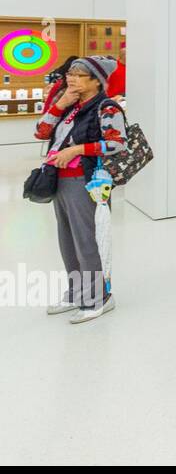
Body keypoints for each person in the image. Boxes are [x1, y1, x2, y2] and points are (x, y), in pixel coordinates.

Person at [35, 55, 126, 322]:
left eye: (78, 75)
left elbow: (117, 143)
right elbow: (40, 132)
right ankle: (77, 292)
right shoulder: (68, 106)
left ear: (96, 81)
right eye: (70, 74)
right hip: (59, 181)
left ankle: (98, 297)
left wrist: (77, 149)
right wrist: (60, 103)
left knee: (87, 241)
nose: (70, 78)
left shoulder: (107, 108)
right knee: (67, 241)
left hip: (87, 183)